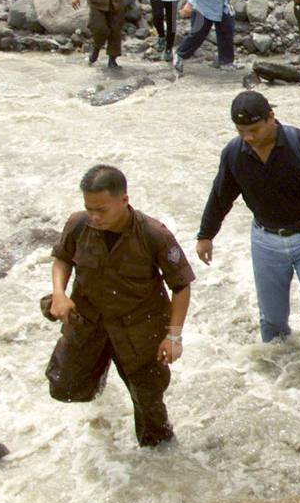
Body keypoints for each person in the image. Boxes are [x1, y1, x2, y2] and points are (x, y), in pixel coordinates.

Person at [43, 165, 194, 447]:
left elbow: (182, 285)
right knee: (64, 386)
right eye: (90, 208)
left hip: (139, 332)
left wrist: (173, 336)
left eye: (102, 210)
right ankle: (100, 378)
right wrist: (59, 293)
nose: (95, 217)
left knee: (151, 413)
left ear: (124, 200)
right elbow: (62, 258)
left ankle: (162, 470)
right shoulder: (78, 224)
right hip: (91, 325)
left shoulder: (154, 234)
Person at [195, 92, 300, 342]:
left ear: (271, 118)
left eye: (254, 129)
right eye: (241, 131)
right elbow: (221, 196)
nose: (249, 137)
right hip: (266, 240)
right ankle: (279, 370)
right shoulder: (234, 154)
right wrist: (206, 235)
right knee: (271, 322)